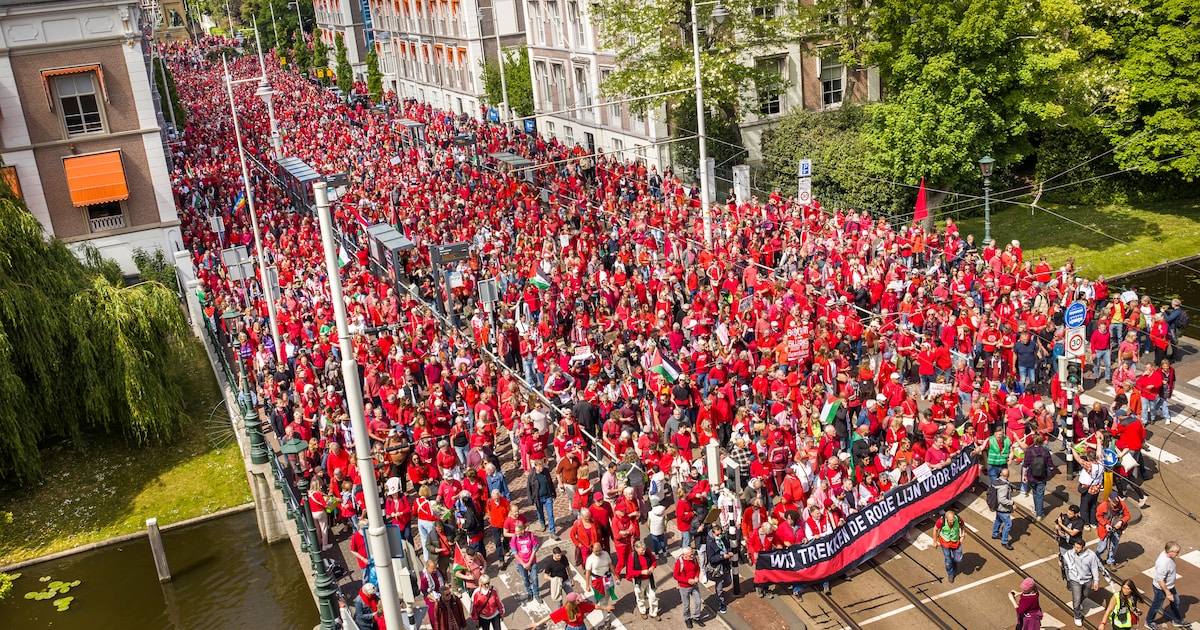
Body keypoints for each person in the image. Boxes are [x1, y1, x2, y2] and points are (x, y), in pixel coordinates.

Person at [1146, 541, 1191, 629]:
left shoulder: (1168, 555)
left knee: (1176, 602)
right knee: (1157, 606)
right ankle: (1149, 621)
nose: (1178, 553)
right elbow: (1160, 580)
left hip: (1170, 586)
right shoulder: (1163, 563)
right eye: (1176, 552)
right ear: (1169, 552)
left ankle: (1177, 620)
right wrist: (1168, 593)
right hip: (1161, 589)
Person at [527, 592, 615, 630]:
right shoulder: (563, 610)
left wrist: (605, 608)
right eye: (578, 599)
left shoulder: (581, 605)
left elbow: (594, 606)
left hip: (581, 626)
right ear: (573, 602)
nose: (580, 599)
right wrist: (537, 624)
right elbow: (549, 617)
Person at [1063, 539, 1101, 626]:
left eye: (1078, 548)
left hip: (1087, 580)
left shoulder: (1091, 555)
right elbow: (1065, 562)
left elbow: (1094, 568)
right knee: (1076, 599)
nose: (1075, 549)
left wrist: (1096, 581)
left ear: (1083, 547)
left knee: (1085, 594)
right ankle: (1077, 616)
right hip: (1075, 579)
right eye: (1075, 547)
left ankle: (1079, 603)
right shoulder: (1071, 553)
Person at [1022, 433, 1055, 519]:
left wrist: (1024, 475)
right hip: (1042, 477)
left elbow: (1025, 464)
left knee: (1035, 493)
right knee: (1040, 494)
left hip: (1031, 476)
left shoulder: (1029, 451)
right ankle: (1039, 514)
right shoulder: (1046, 451)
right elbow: (1051, 466)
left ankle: (1037, 509)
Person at [626, 539, 660, 620]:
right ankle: (643, 611)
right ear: (636, 549)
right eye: (642, 550)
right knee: (640, 596)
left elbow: (654, 561)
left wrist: (652, 567)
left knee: (653, 596)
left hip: (649, 578)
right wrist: (641, 572)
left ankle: (653, 613)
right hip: (639, 580)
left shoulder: (648, 551)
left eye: (644, 549)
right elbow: (630, 571)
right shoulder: (632, 556)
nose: (644, 552)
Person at [705, 525, 735, 615]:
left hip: (725, 566)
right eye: (718, 534)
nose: (720, 535)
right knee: (719, 586)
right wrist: (722, 556)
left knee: (728, 581)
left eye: (721, 533)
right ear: (713, 534)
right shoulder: (710, 544)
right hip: (717, 568)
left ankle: (720, 591)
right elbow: (711, 558)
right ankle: (721, 602)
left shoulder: (723, 539)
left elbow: (727, 547)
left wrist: (729, 551)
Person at [674, 545, 706, 628]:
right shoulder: (680, 562)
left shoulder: (694, 559)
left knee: (698, 601)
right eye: (690, 555)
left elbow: (697, 569)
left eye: (692, 554)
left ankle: (696, 617)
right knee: (686, 604)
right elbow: (676, 576)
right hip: (684, 587)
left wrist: (696, 576)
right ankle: (687, 618)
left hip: (694, 585)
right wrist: (687, 580)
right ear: (685, 555)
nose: (692, 556)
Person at [510, 520, 542, 602]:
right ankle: (529, 592)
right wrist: (523, 564)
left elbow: (534, 549)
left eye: (517, 532)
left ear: (522, 530)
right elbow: (515, 552)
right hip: (521, 563)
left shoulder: (531, 535)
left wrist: (529, 562)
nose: (516, 533)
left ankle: (536, 594)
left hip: (532, 561)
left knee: (534, 578)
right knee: (525, 578)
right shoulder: (514, 538)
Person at [1096, 493, 1130, 566]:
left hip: (1117, 529)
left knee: (1113, 546)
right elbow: (1098, 517)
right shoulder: (1103, 506)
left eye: (1116, 501)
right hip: (1105, 529)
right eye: (1114, 501)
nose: (1116, 503)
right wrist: (1105, 524)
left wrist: (1121, 521)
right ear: (1109, 499)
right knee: (1102, 547)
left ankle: (1110, 561)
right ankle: (1096, 559)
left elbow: (1128, 515)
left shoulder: (1122, 505)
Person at [526, 457, 558, 535]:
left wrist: (553, 493)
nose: (541, 468)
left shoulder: (546, 472)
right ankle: (542, 523)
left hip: (547, 497)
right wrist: (531, 499)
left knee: (550, 514)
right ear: (535, 466)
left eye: (542, 466)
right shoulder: (532, 475)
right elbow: (529, 488)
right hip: (538, 498)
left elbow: (550, 483)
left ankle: (552, 531)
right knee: (540, 512)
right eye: (539, 466)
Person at [584, 541, 618, 612]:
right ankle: (606, 616)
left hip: (607, 578)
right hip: (597, 580)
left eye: (600, 550)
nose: (599, 552)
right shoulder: (590, 559)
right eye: (596, 551)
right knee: (603, 599)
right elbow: (588, 572)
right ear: (592, 549)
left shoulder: (605, 554)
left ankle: (604, 604)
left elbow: (610, 565)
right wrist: (587, 585)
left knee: (608, 594)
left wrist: (615, 575)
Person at [934, 508, 965, 583]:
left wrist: (962, 535)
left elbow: (963, 526)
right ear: (946, 518)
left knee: (958, 559)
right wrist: (935, 541)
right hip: (945, 543)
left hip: (955, 542)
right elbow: (935, 529)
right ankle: (951, 573)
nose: (952, 522)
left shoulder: (958, 519)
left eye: (953, 520)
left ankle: (954, 561)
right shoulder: (941, 521)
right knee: (948, 560)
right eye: (950, 520)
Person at [1054, 505, 1085, 579]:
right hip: (1063, 544)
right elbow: (1056, 524)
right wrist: (1058, 530)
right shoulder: (1063, 517)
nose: (1068, 514)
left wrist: (1061, 524)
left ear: (1076, 514)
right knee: (1065, 563)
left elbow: (1072, 533)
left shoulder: (1080, 522)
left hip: (1073, 546)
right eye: (1068, 512)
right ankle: (1068, 579)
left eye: (1071, 514)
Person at [992, 467, 1016, 550]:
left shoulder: (997, 481)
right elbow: (1002, 499)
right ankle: (1005, 541)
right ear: (1008, 475)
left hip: (997, 506)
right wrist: (1012, 503)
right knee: (1008, 524)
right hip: (1003, 508)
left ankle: (995, 534)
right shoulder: (1004, 487)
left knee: (998, 520)